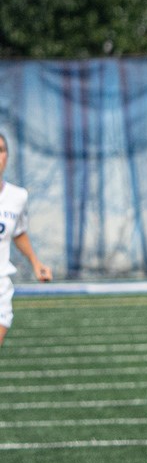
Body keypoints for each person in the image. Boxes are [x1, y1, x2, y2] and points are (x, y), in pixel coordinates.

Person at [0, 133, 54, 349]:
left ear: (7, 157)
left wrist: (36, 263)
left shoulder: (17, 197)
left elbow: (18, 233)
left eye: (1, 150)